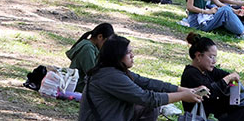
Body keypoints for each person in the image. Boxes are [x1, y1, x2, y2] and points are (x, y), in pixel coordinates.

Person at [77, 35, 205, 121]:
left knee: (151, 107)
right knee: (150, 104)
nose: (132, 56)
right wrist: (183, 96)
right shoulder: (111, 76)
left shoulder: (113, 70)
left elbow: (147, 83)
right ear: (117, 56)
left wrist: (183, 89)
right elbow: (147, 98)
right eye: (128, 53)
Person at [181, 33, 244, 120]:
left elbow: (229, 76)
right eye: (211, 57)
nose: (214, 61)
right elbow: (210, 93)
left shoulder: (207, 71)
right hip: (202, 118)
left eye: (215, 57)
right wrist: (227, 79)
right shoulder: (191, 74)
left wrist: (233, 82)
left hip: (218, 116)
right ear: (198, 56)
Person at [67, 23, 115, 92]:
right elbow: (92, 73)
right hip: (80, 86)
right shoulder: (88, 48)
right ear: (100, 37)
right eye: (106, 42)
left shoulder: (92, 47)